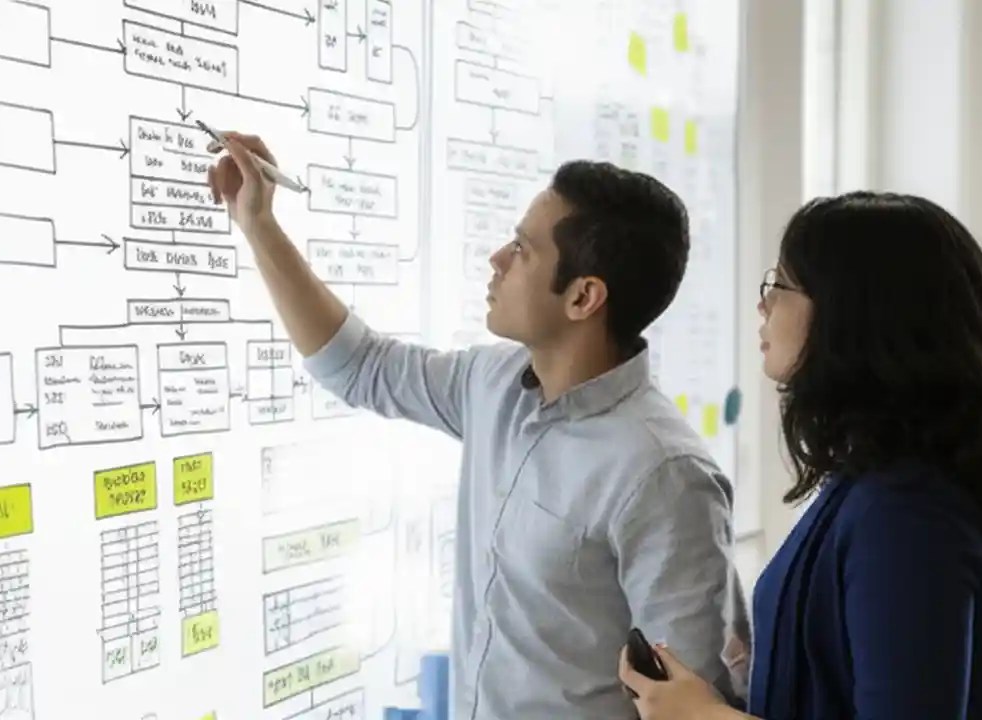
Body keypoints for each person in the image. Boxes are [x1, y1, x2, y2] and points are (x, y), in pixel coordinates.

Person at [205, 132, 751, 718]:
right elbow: (358, 366)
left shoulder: (663, 474)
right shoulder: (493, 386)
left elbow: (691, 702)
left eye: (521, 249)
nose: (496, 259)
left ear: (583, 297)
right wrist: (258, 224)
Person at [619, 191, 982, 720]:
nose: (763, 305)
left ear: (850, 315)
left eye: (779, 285)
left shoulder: (908, 510)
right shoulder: (880, 478)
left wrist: (704, 715)